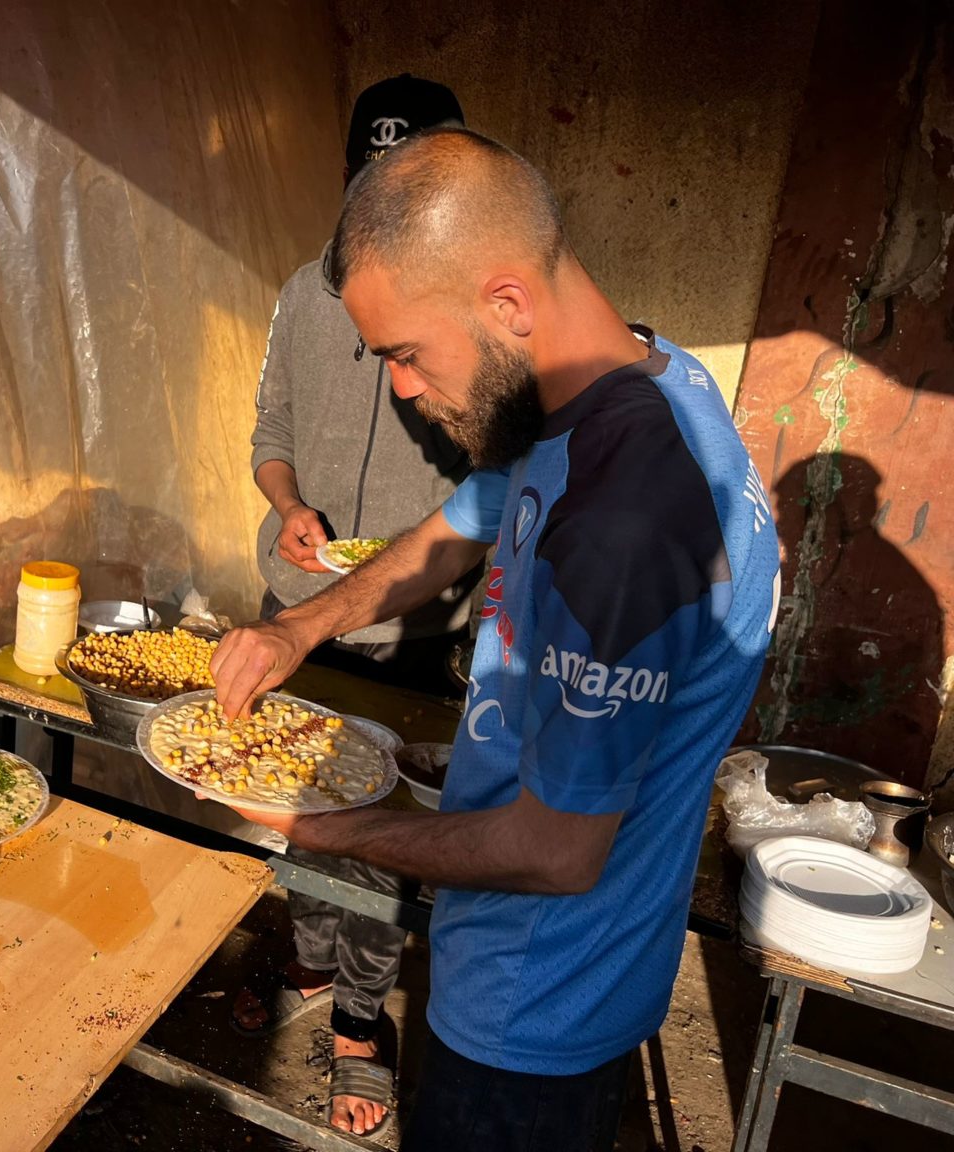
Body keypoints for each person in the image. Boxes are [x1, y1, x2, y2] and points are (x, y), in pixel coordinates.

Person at [211, 128, 781, 1151]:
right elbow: (451, 533)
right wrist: (302, 623)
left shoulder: (624, 520)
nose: (400, 389)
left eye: (405, 354)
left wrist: (319, 826)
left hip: (536, 1013)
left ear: (507, 303)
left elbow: (552, 852)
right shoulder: (623, 389)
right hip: (522, 968)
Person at [238, 75, 482, 1139]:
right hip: (297, 599)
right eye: (367, 181)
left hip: (410, 626)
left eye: (407, 183)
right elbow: (269, 432)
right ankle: (306, 947)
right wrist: (290, 503)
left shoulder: (474, 314)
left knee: (380, 828)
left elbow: (497, 482)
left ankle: (359, 1019)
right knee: (293, 800)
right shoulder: (304, 290)